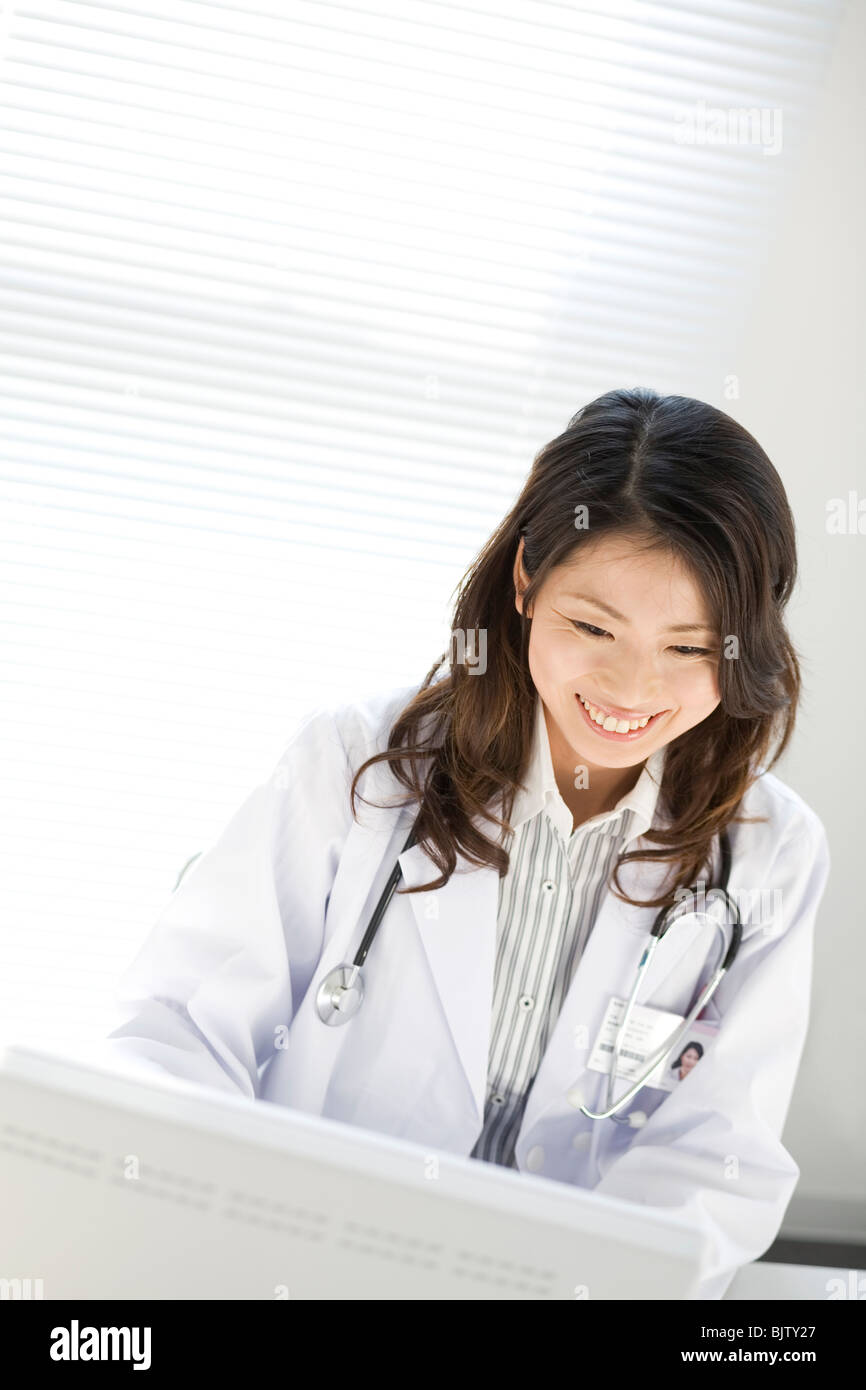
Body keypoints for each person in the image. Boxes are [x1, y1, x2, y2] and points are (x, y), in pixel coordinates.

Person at [104, 386, 831, 1300]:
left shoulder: (767, 854)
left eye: (691, 648)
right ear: (526, 581)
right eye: (593, 627)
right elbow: (176, 1035)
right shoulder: (357, 762)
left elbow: (715, 1158)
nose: (631, 686)